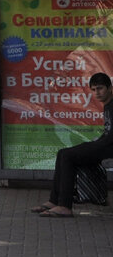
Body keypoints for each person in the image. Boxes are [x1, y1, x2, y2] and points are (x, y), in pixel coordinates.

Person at [34, 72, 113, 218]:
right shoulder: (107, 105)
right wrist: (93, 144)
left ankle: (65, 206)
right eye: (94, 90)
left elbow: (110, 137)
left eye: (100, 88)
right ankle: (55, 201)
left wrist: (94, 146)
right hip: (105, 145)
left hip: (108, 148)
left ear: (110, 88)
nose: (97, 93)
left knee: (69, 156)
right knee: (62, 153)